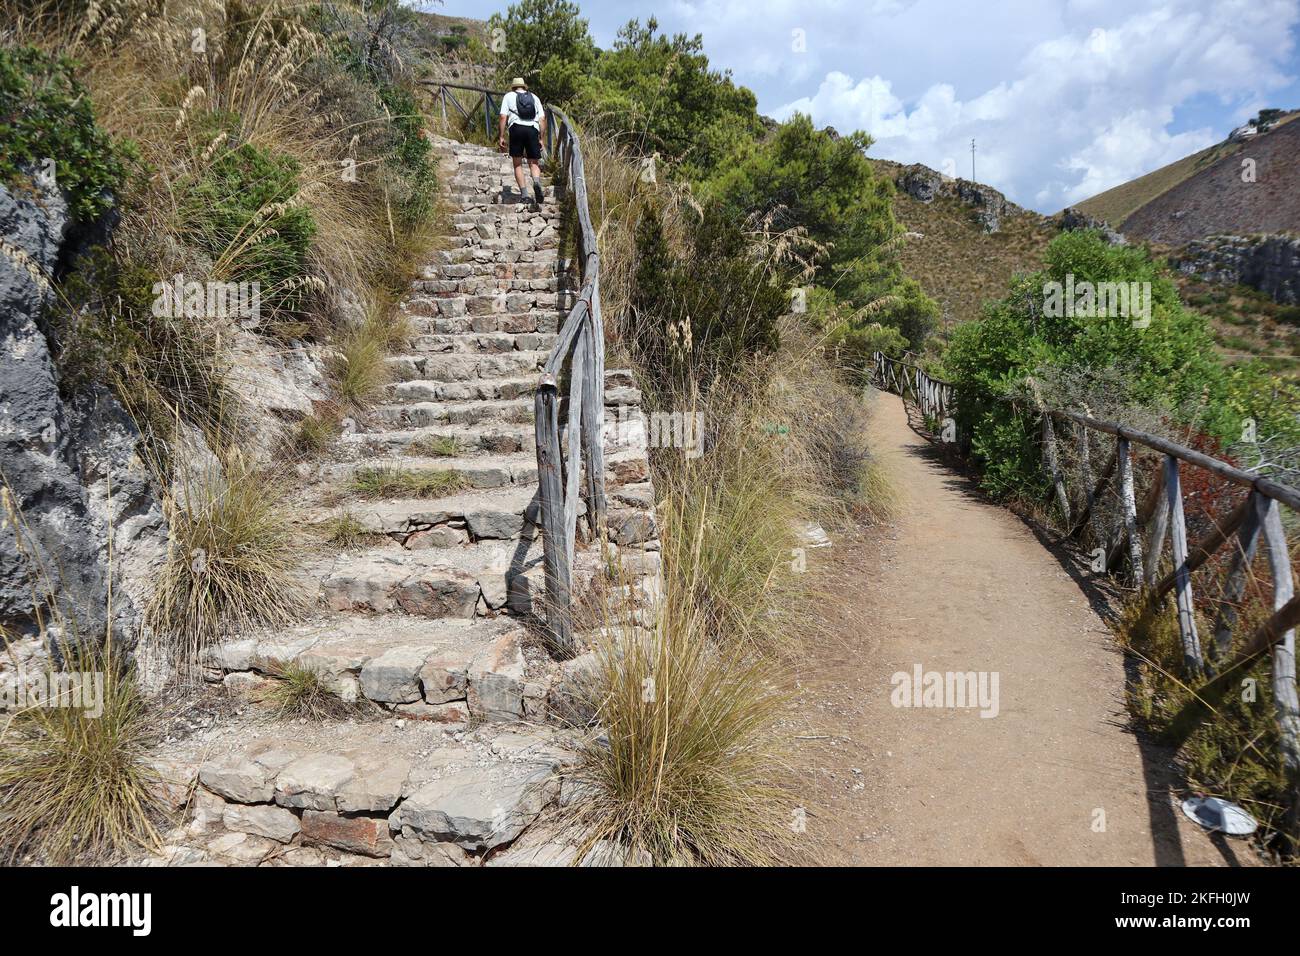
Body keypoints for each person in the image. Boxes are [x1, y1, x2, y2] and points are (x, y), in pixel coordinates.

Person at [497, 77, 548, 207]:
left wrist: (501, 136)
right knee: (533, 162)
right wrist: (541, 138)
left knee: (517, 164)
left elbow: (503, 116)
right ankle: (536, 182)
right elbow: (542, 119)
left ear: (513, 87)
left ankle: (525, 195)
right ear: (524, 87)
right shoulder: (534, 97)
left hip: (516, 129)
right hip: (532, 129)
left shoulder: (508, 96)